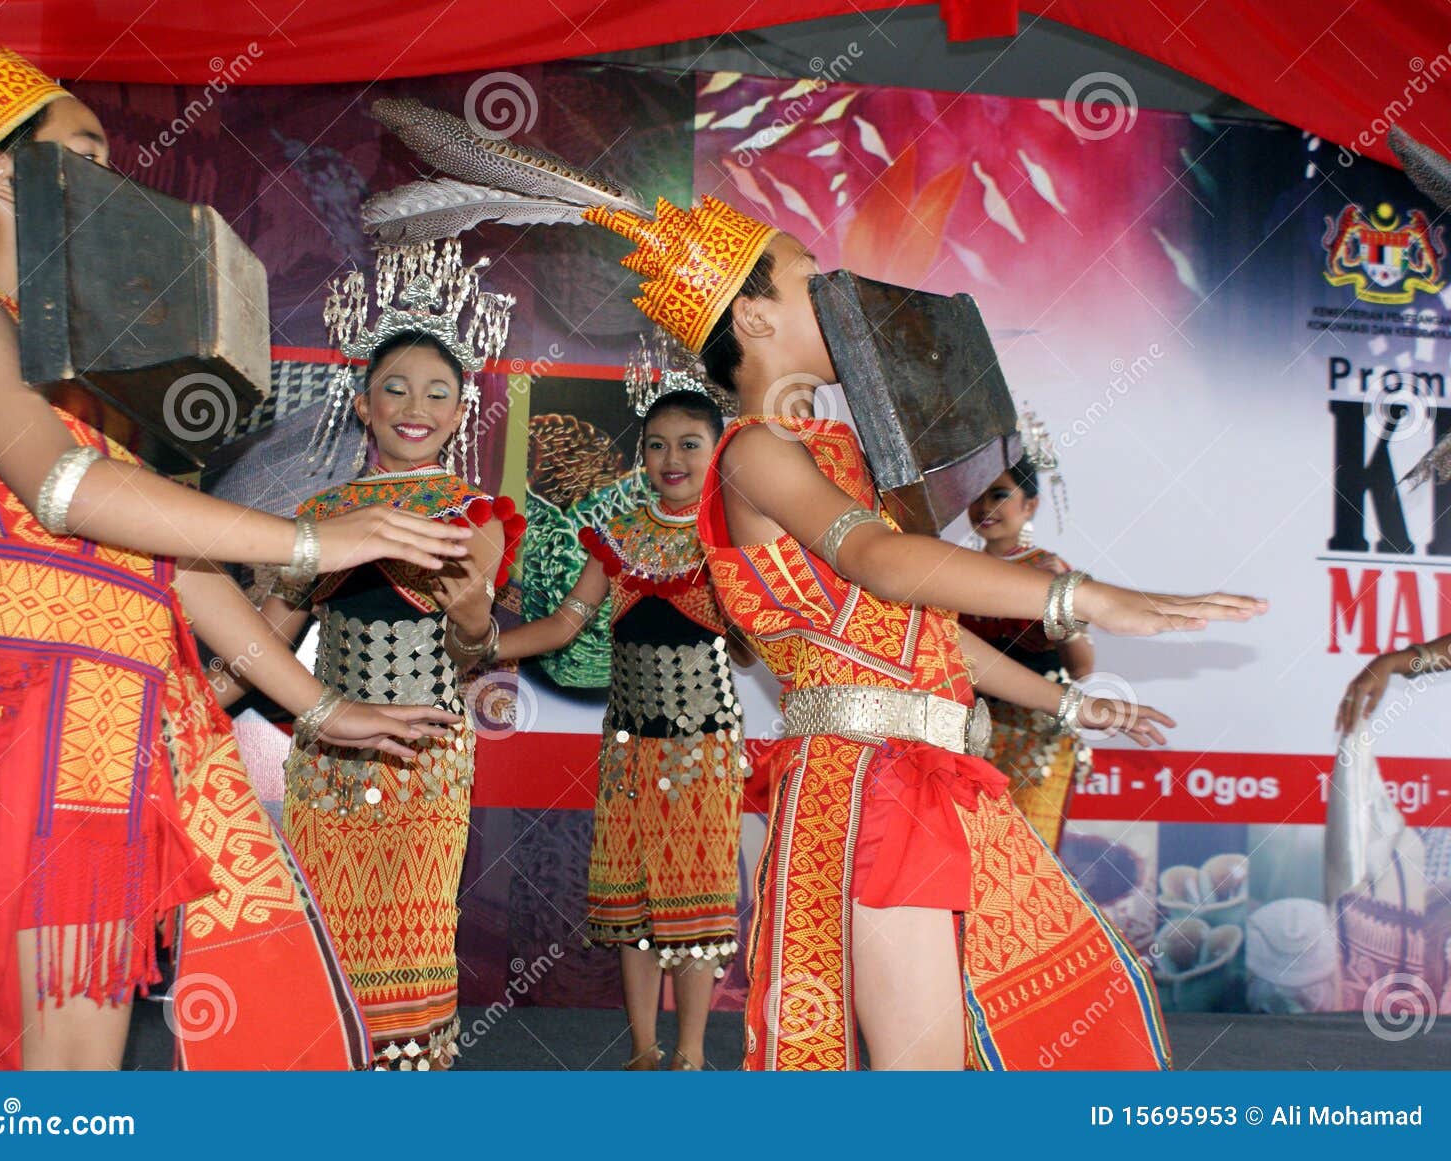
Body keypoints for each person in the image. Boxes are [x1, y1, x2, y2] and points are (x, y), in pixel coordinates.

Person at [0, 29, 470, 1071]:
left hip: (118, 716)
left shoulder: (78, 361)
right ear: (6, 173)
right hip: (51, 720)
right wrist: (309, 537)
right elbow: (69, 493)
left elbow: (172, 567)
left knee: (88, 1043)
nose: (115, 184)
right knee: (61, 1053)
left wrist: (322, 708)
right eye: (90, 156)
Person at [585, 195, 1268, 1070]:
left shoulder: (835, 452)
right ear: (754, 317)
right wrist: (1083, 597)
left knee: (1034, 1024)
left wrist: (1067, 702)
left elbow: (919, 630)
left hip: (917, 772)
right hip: (866, 784)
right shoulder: (755, 451)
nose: (839, 292)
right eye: (809, 278)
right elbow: (880, 562)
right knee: (928, 1078)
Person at [250, 240, 524, 1069]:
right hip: (327, 757)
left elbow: (475, 660)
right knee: (326, 939)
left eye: (438, 392)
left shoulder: (475, 514)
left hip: (425, 760)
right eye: (394, 388)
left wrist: (475, 619)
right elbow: (267, 640)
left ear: (459, 409)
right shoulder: (323, 512)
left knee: (411, 946)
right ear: (363, 403)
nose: (416, 405)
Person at [497, 350, 745, 1070]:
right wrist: (487, 646)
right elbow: (565, 624)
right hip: (629, 746)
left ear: (716, 451)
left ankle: (692, 1053)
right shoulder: (616, 537)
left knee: (694, 905)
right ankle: (643, 1047)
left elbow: (761, 643)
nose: (671, 458)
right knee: (633, 905)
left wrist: (733, 600)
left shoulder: (731, 539)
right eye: (657, 444)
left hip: (705, 745)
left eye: (689, 444)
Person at [959, 440, 1094, 850]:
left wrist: (1062, 607)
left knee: (1028, 861)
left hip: (1038, 737)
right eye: (975, 496)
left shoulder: (1049, 571)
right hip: (968, 736)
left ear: (1030, 506)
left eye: (999, 494)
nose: (985, 507)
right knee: (972, 860)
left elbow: (1083, 668)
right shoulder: (951, 569)